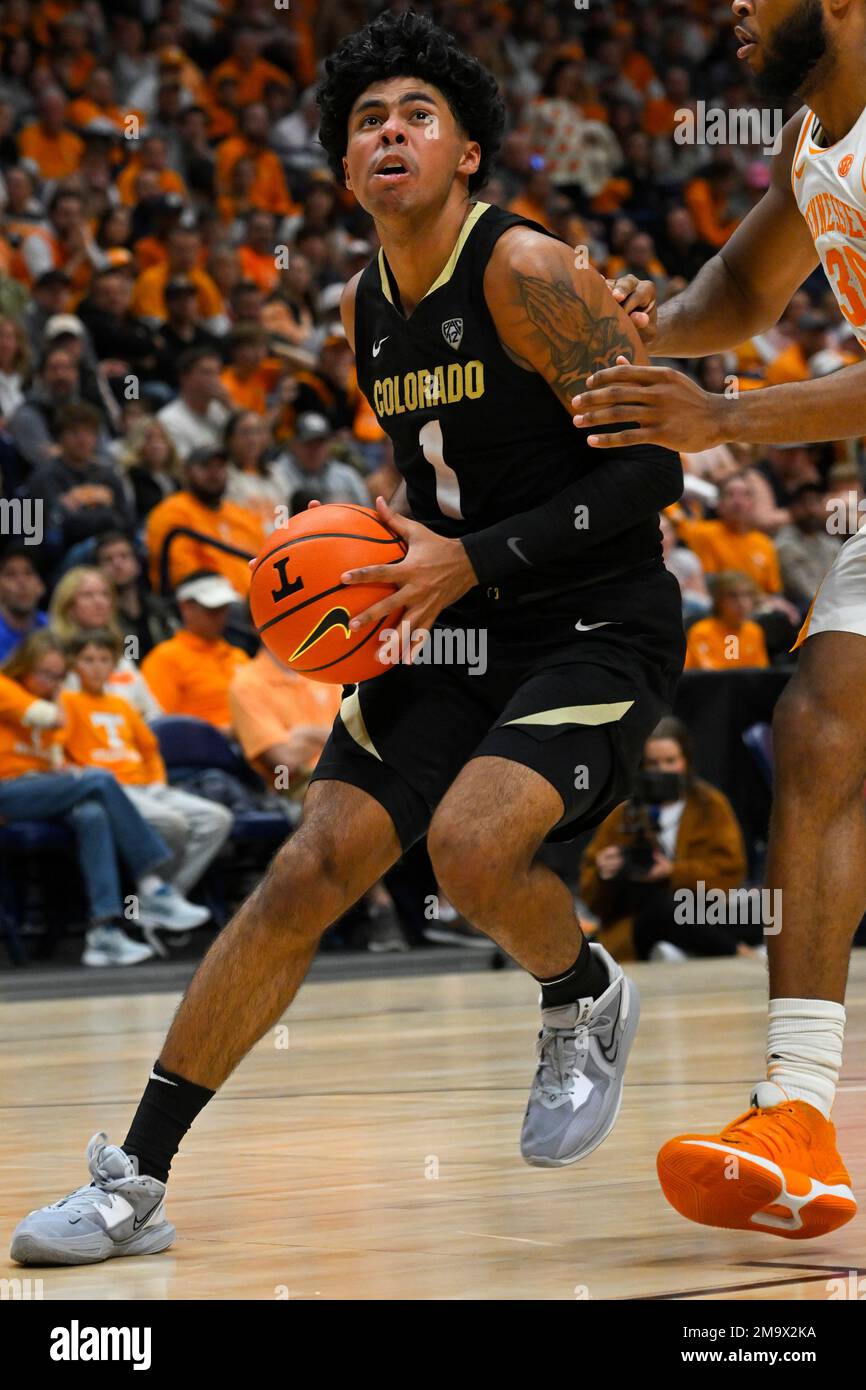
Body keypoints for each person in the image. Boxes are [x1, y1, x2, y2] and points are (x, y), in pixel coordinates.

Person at [9, 11, 686, 1266]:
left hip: (592, 614)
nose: (389, 131)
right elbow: (437, 470)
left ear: (467, 152)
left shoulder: (525, 269)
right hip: (445, 612)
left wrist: (469, 552)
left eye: (416, 114)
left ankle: (579, 993)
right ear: (340, 166)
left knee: (474, 849)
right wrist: (391, 534)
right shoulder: (360, 304)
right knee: (310, 864)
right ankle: (133, 1183)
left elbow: (653, 468)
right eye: (368, 119)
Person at [575, 0, 866, 1241]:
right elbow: (740, 284)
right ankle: (795, 1112)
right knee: (813, 733)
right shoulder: (814, 130)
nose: (730, 9)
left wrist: (722, 421)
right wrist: (647, 326)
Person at [0, 632, 208, 969]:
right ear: (24, 666)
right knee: (98, 778)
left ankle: (102, 933)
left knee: (92, 814)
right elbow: (51, 719)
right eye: (43, 673)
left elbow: (53, 754)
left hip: (42, 787)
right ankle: (151, 883)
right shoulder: (7, 686)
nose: (49, 682)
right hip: (8, 789)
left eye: (56, 675)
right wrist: (60, 697)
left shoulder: (54, 695)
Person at [61, 630, 232, 901]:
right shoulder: (66, 702)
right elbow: (57, 750)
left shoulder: (122, 704)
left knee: (217, 819)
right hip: (112, 790)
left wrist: (156, 780)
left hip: (145, 786)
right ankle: (155, 896)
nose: (96, 668)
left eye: (104, 660)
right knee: (172, 824)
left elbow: (150, 748)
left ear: (113, 665)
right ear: (73, 665)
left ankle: (171, 893)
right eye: (88, 660)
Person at [580, 717, 750, 961]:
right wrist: (604, 874)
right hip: (640, 919)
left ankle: (689, 947)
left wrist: (673, 872)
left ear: (685, 761)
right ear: (641, 765)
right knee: (664, 911)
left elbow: (731, 871)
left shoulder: (710, 805)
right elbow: (593, 899)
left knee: (766, 909)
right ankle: (739, 953)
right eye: (653, 763)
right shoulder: (623, 814)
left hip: (700, 909)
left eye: (670, 761)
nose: (662, 770)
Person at [145, 444, 265, 596]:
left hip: (258, 599)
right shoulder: (171, 512)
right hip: (209, 604)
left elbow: (265, 560)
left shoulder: (242, 514)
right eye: (205, 466)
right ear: (187, 472)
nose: (214, 472)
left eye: (220, 466)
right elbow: (183, 574)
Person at [141, 571, 249, 734]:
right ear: (186, 608)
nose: (220, 616)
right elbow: (159, 727)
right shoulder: (165, 659)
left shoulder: (237, 655)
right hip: (202, 752)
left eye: (224, 608)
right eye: (212, 610)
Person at [49, 566, 162, 721]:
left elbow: (154, 713)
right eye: (88, 595)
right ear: (68, 606)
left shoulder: (122, 656)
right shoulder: (53, 654)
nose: (99, 602)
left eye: (105, 594)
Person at [93, 531, 176, 662]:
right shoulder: (100, 618)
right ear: (98, 570)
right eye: (108, 559)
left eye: (124, 556)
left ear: (137, 565)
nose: (117, 564)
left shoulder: (159, 609)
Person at [272, 411, 369, 509]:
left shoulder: (347, 475)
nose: (314, 450)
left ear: (330, 444)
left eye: (320, 443)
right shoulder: (278, 475)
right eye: (309, 444)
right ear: (294, 445)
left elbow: (367, 510)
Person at [774, 481, 841, 613]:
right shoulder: (784, 544)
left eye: (816, 502)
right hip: (805, 608)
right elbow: (803, 590)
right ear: (792, 508)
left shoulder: (831, 543)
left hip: (834, 603)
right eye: (804, 503)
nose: (811, 509)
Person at [156, 348, 232, 463]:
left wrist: (230, 405)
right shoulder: (168, 419)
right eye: (207, 373)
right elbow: (184, 464)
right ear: (184, 377)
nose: (215, 380)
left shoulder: (223, 409)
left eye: (217, 373)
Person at [684, 571, 770, 671]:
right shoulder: (701, 632)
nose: (742, 603)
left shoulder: (754, 632)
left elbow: (760, 674)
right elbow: (710, 675)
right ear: (720, 600)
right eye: (733, 596)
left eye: (747, 595)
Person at [0, 545, 47, 661]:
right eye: (11, 575)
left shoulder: (53, 630)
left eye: (29, 573)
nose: (22, 582)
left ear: (41, 586)